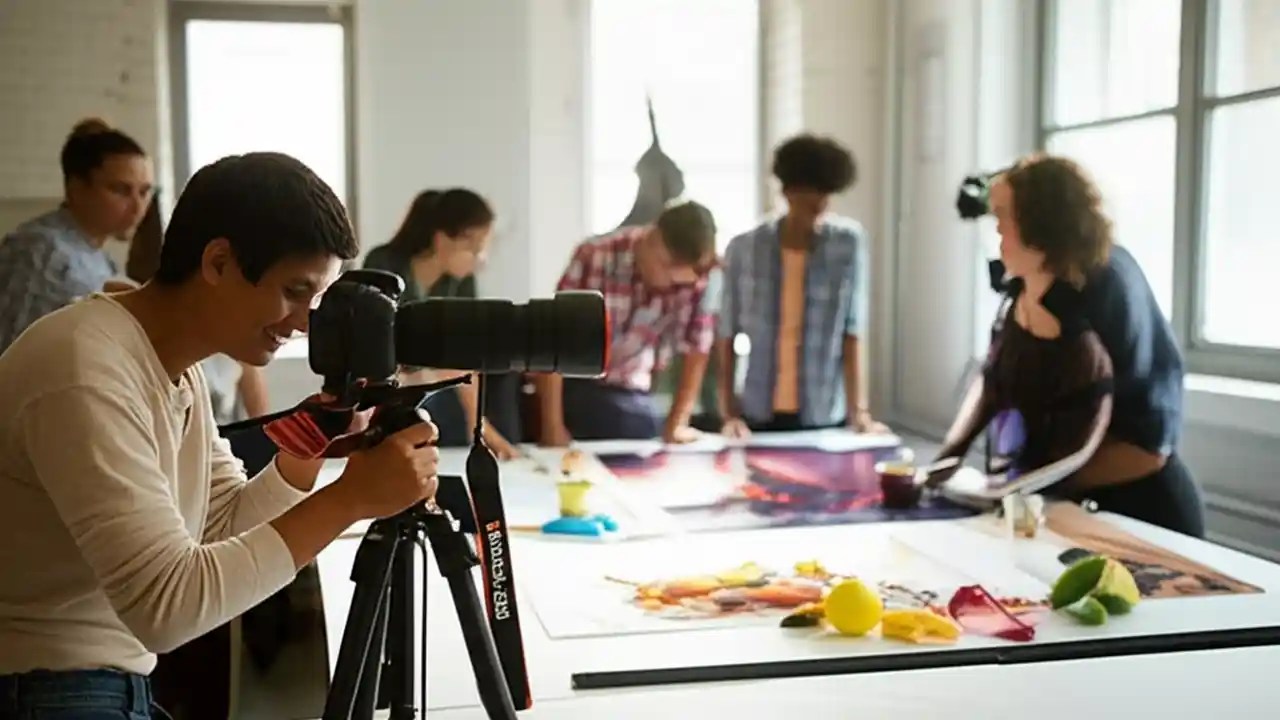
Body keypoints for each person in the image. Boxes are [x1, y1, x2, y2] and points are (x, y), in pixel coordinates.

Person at [0, 152, 440, 717]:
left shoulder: (172, 369)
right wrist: (351, 500)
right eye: (294, 290)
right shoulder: (87, 368)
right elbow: (169, 608)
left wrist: (309, 447)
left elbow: (219, 525)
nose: (305, 320)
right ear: (219, 262)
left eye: (316, 298)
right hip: (46, 691)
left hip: (101, 682)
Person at [933, 154, 1204, 537]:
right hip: (1055, 508)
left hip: (1137, 511)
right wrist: (942, 466)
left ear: (1039, 221)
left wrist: (1023, 488)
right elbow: (993, 380)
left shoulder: (1110, 281)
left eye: (1002, 219)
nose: (996, 234)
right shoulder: (1026, 287)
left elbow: (1148, 445)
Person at [716, 134, 888, 437]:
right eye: (811, 196)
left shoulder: (848, 244)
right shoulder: (744, 249)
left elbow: (852, 331)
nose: (819, 204)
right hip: (759, 411)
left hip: (823, 412)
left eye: (825, 195)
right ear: (787, 192)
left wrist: (858, 413)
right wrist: (729, 413)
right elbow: (726, 335)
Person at [537, 200, 718, 445]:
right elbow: (550, 343)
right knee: (621, 419)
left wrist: (677, 423)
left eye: (678, 274)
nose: (668, 280)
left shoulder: (693, 279)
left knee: (640, 421)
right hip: (577, 384)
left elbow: (697, 349)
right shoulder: (594, 255)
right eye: (665, 266)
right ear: (651, 235)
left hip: (631, 392)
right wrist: (552, 427)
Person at [363, 188, 522, 459]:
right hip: (386, 383)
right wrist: (435, 372)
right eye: (474, 249)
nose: (480, 261)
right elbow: (373, 351)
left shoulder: (460, 281)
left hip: (436, 382)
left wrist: (480, 427)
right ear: (442, 240)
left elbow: (467, 356)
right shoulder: (384, 266)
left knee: (500, 375)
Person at [0, 118, 153, 354]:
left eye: (144, 192)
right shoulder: (38, 251)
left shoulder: (103, 260)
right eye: (120, 190)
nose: (137, 206)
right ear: (77, 188)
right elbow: (10, 349)